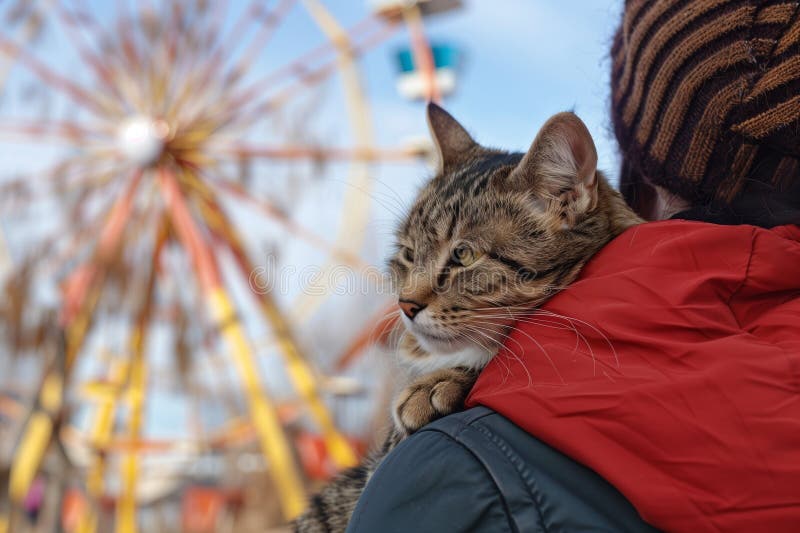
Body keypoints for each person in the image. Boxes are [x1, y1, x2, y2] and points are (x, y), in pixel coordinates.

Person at [346, 1, 800, 531]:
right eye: (407, 257)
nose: (412, 299)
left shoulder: (468, 469)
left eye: (462, 259)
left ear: (571, 197)